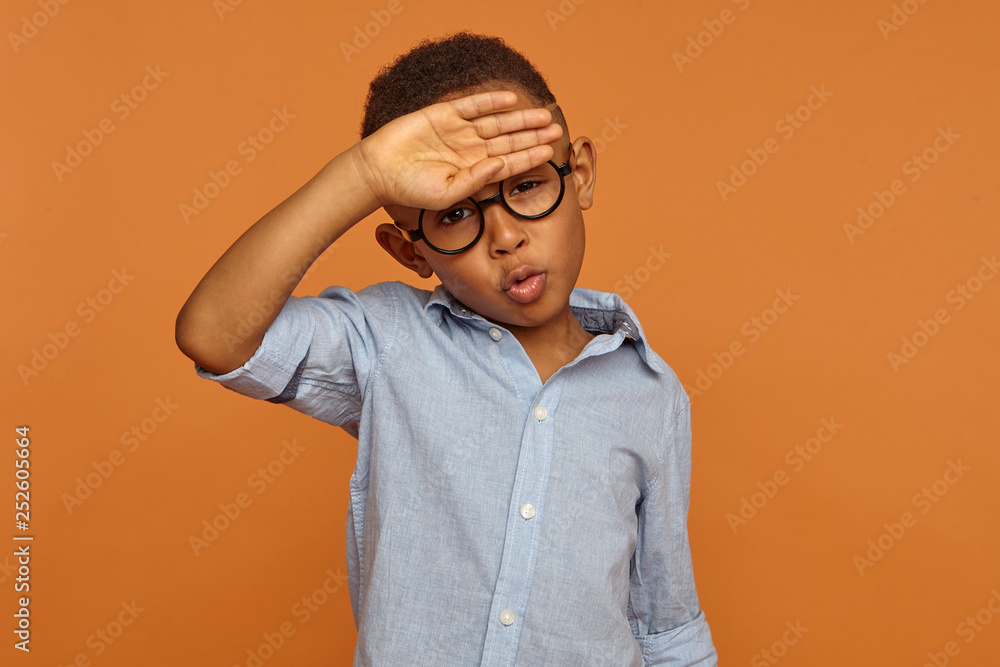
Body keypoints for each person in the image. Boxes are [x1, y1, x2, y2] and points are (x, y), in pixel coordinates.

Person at [175, 30, 718, 666]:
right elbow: (214, 335)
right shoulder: (386, 343)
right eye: (454, 215)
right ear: (411, 251)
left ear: (583, 174)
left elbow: (665, 622)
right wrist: (366, 173)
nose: (506, 237)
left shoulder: (651, 394)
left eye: (526, 186)